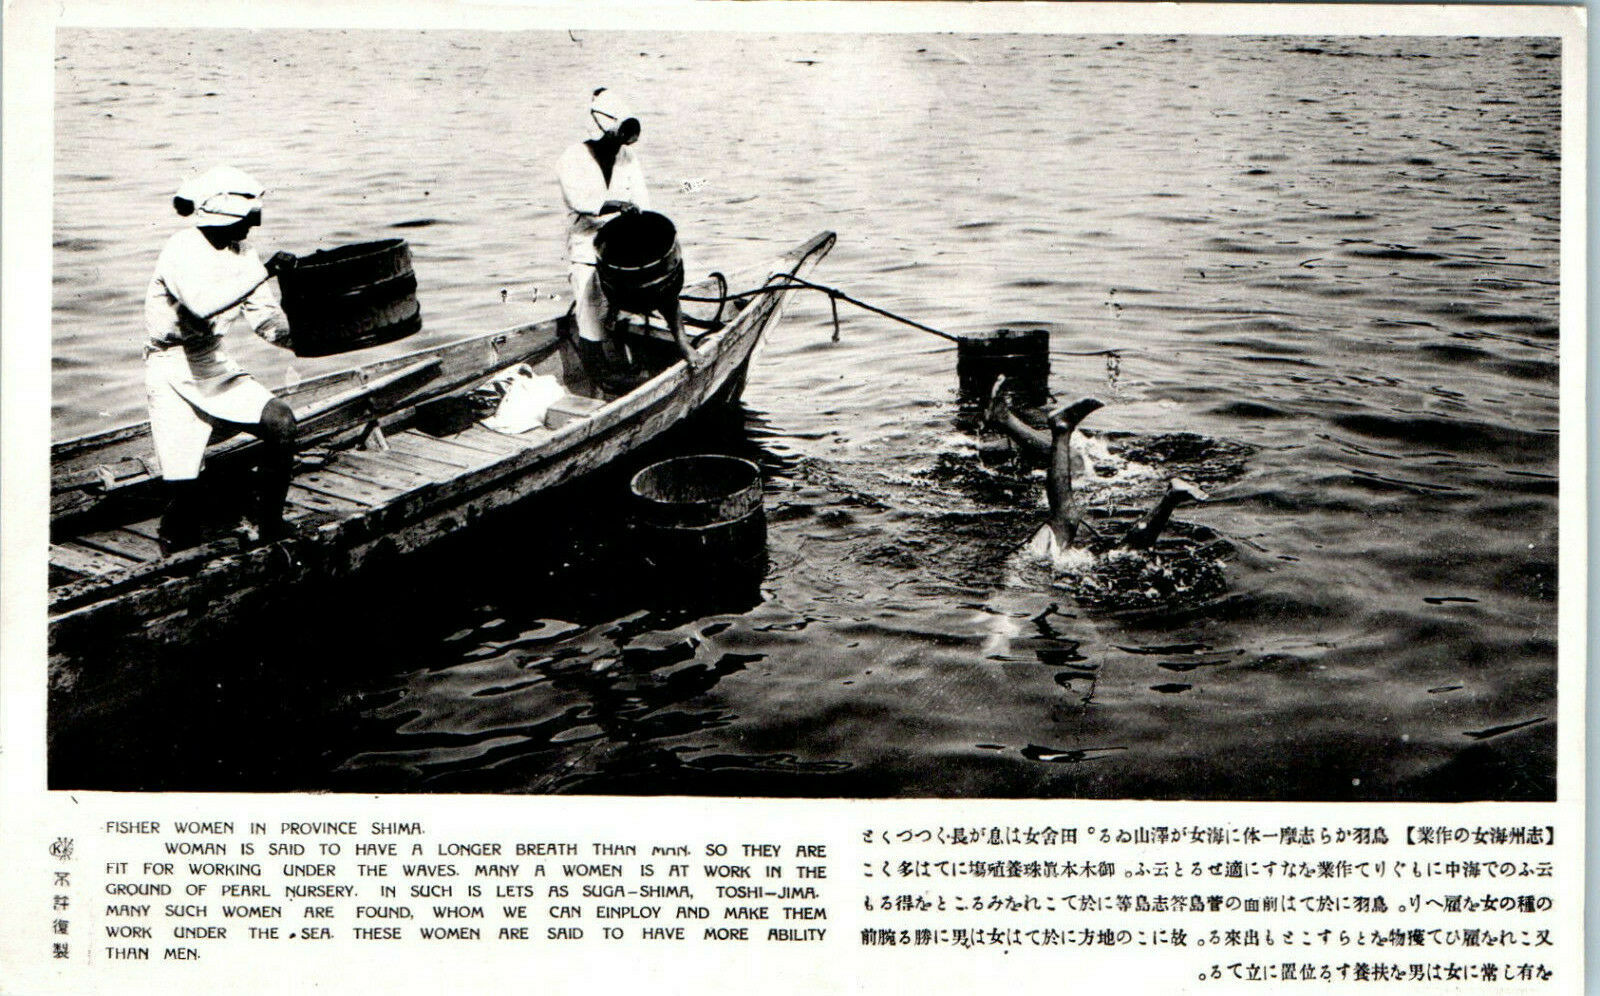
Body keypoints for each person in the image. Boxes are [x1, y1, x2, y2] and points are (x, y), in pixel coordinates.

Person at [144, 165, 298, 554]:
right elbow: (201, 304)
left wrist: (305, 341)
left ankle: (271, 525)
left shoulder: (244, 252)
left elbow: (263, 318)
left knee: (281, 421)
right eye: (242, 221)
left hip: (211, 361)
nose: (248, 231)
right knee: (184, 491)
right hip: (171, 365)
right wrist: (266, 271)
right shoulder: (181, 248)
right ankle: (177, 543)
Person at [557, 86, 700, 394]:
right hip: (587, 243)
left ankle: (683, 343)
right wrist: (616, 205)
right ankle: (600, 374)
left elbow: (641, 199)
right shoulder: (574, 157)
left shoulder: (627, 157)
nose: (618, 146)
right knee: (589, 305)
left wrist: (641, 224)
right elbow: (579, 199)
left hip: (622, 243)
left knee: (663, 282)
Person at [984, 378, 1207, 563]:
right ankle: (1171, 498)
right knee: (1123, 553)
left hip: (1032, 571)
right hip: (1036, 573)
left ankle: (1058, 429)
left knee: (1078, 525)